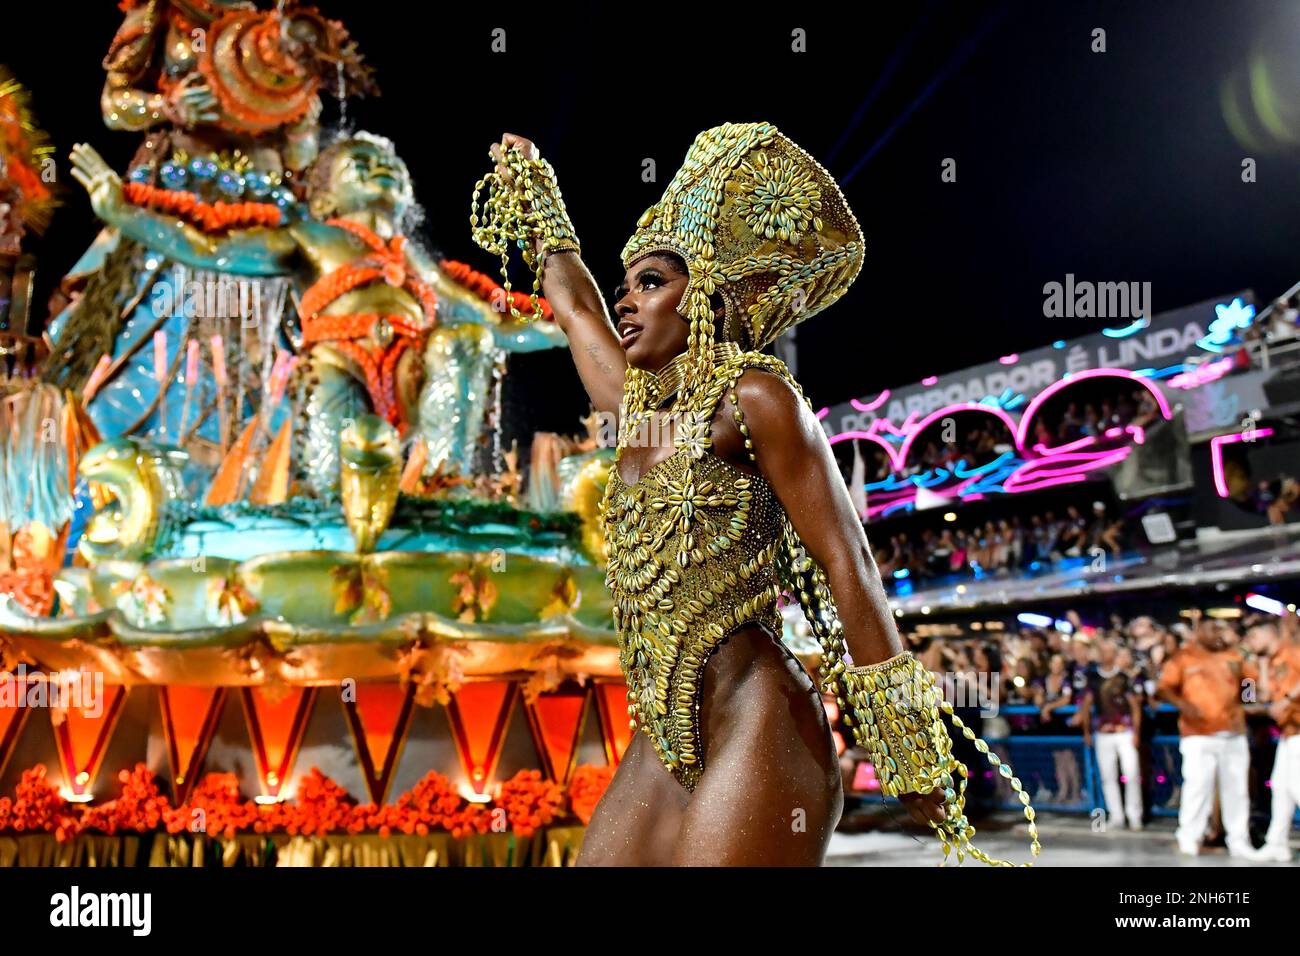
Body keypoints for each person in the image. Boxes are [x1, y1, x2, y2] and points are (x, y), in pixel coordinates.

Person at [469, 123, 1038, 865]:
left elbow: (848, 562)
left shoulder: (756, 398)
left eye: (652, 282)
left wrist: (905, 744)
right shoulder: (636, 406)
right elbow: (577, 309)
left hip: (759, 718)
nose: (627, 304)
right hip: (665, 734)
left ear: (705, 291)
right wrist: (541, 196)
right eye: (626, 286)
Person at [1158, 613, 1264, 859]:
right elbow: (1164, 687)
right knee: (1197, 786)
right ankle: (1189, 838)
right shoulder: (1184, 657)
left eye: (1219, 630)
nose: (1216, 635)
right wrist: (1183, 704)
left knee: (1237, 789)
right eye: (1210, 629)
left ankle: (1239, 840)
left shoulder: (1234, 655)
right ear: (1199, 631)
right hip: (1198, 734)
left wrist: (1246, 701)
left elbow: (1249, 681)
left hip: (1233, 733)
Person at [1084, 639, 1144, 830]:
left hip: (1124, 732)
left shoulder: (1124, 678)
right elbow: (1086, 705)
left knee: (1131, 774)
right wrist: (1086, 731)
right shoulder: (1093, 678)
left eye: (1109, 651)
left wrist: (1136, 732)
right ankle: (1116, 815)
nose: (1105, 655)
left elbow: (1135, 707)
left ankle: (1134, 815)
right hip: (1103, 733)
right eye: (1102, 651)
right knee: (1107, 776)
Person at [1261, 623, 1300, 862]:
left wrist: (1286, 699)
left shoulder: (1293, 651)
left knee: (1296, 787)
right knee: (1279, 787)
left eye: (1255, 635)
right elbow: (1257, 695)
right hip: (1285, 733)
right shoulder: (1263, 662)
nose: (1250, 640)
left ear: (1271, 634)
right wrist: (1263, 667)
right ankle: (1276, 844)